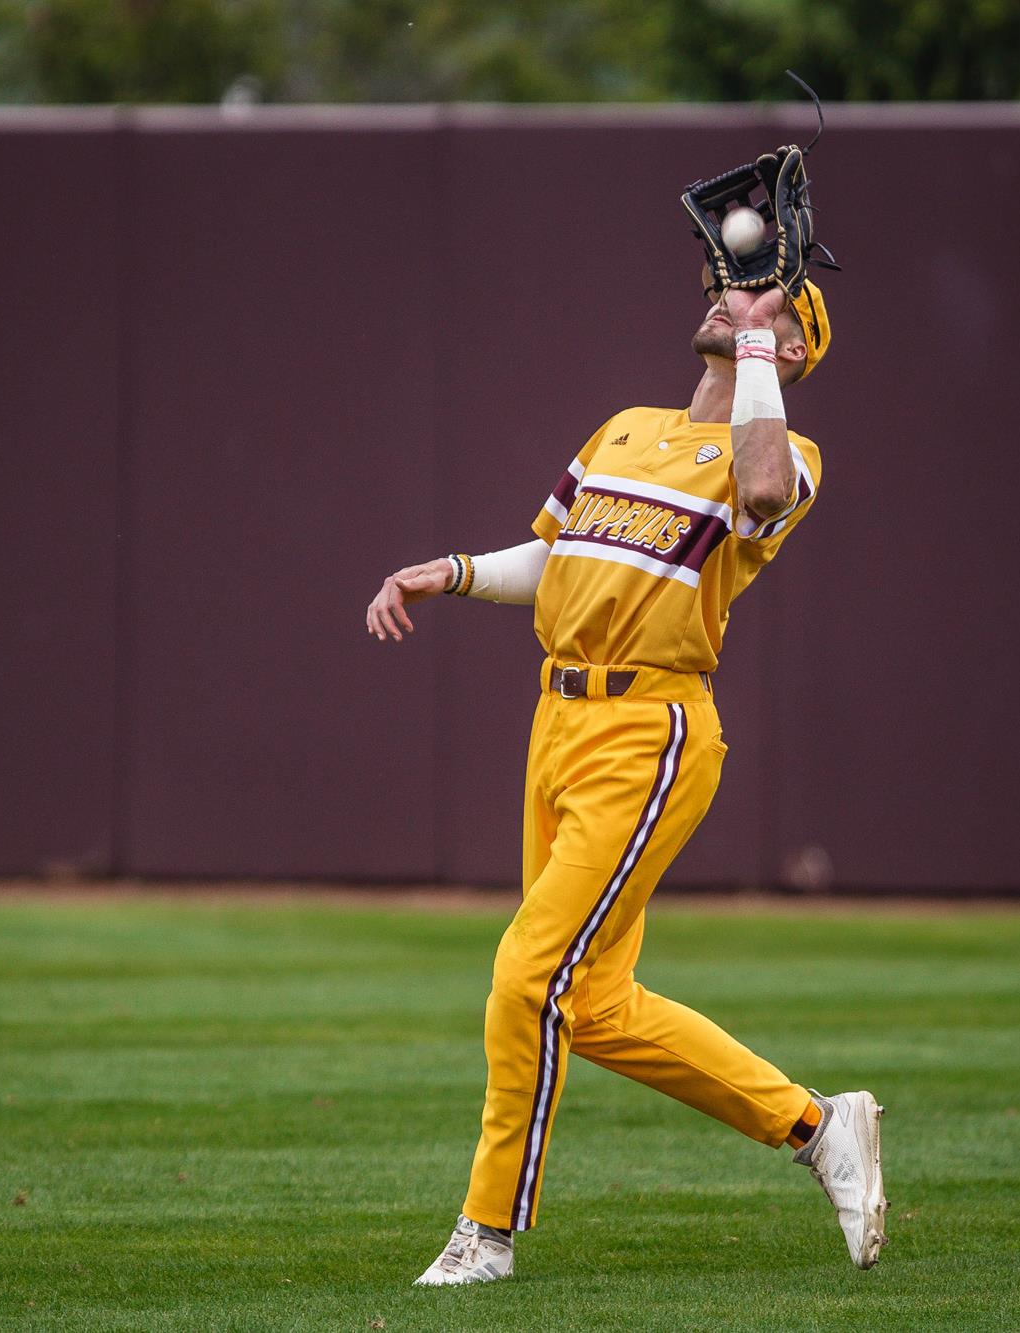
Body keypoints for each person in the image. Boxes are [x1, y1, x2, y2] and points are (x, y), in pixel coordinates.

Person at [364, 274, 886, 1286]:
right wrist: (457, 570)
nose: (728, 306)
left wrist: (753, 353)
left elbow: (767, 489)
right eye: (726, 297)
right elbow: (557, 556)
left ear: (785, 351)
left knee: (526, 974)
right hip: (555, 718)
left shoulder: (782, 455)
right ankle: (818, 1128)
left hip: (649, 730)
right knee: (590, 1003)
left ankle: (486, 1231)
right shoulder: (622, 429)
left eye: (762, 310)